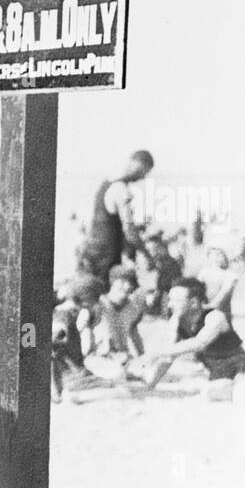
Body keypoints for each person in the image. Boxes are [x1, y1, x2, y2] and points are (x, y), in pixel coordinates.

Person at [139, 278, 245, 392]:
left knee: (244, 395)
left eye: (176, 300)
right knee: (215, 393)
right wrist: (150, 384)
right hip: (221, 372)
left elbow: (199, 343)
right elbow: (168, 357)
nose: (169, 305)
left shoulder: (215, 317)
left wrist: (157, 351)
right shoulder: (177, 321)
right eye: (170, 300)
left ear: (194, 303)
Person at [77, 150, 153, 283]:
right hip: (106, 256)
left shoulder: (106, 183)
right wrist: (147, 254)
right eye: (144, 172)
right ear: (138, 166)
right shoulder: (121, 189)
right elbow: (129, 230)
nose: (143, 178)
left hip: (91, 251)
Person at [94, 264, 147, 360]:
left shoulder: (133, 307)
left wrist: (143, 358)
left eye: (130, 282)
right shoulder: (99, 304)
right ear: (112, 282)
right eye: (122, 282)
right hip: (99, 357)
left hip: (122, 356)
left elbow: (134, 335)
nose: (127, 286)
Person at [142, 233, 182, 316]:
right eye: (148, 250)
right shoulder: (161, 262)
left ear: (160, 248)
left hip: (169, 297)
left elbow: (166, 286)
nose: (150, 253)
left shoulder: (168, 263)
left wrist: (154, 295)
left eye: (152, 249)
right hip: (165, 294)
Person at [201, 247, 238, 320]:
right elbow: (197, 290)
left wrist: (208, 306)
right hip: (204, 311)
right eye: (216, 254)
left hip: (221, 314)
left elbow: (224, 293)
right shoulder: (204, 272)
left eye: (222, 254)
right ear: (209, 257)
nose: (220, 256)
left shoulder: (231, 275)